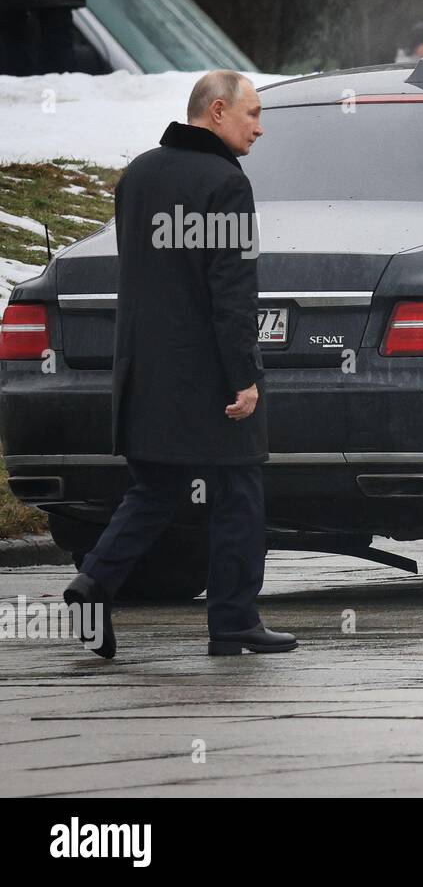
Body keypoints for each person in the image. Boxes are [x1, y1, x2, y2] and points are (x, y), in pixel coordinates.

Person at [63, 70, 297, 658]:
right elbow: (231, 291)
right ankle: (234, 621)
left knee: (155, 489)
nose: (260, 129)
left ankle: (94, 582)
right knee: (239, 488)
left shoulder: (139, 173)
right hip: (208, 374)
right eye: (252, 115)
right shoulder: (225, 183)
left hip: (144, 368)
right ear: (217, 111)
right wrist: (243, 375)